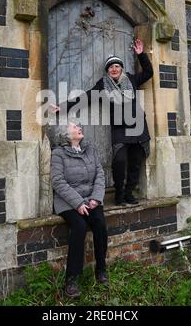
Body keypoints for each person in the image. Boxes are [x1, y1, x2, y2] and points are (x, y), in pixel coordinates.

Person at [51, 38, 153, 207]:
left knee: (135, 162)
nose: (114, 68)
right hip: (120, 129)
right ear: (107, 71)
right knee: (119, 162)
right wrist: (63, 107)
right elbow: (85, 97)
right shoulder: (103, 86)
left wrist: (141, 55)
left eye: (117, 66)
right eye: (111, 67)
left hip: (138, 127)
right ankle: (119, 193)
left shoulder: (132, 80)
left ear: (121, 68)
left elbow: (149, 73)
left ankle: (129, 193)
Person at [50, 120, 108, 298]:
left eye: (79, 126)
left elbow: (100, 174)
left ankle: (101, 269)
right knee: (79, 227)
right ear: (65, 134)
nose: (79, 128)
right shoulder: (58, 154)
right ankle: (72, 279)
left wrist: (96, 198)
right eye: (75, 127)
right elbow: (58, 182)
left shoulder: (90, 149)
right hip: (68, 201)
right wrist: (77, 203)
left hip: (90, 199)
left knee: (99, 222)